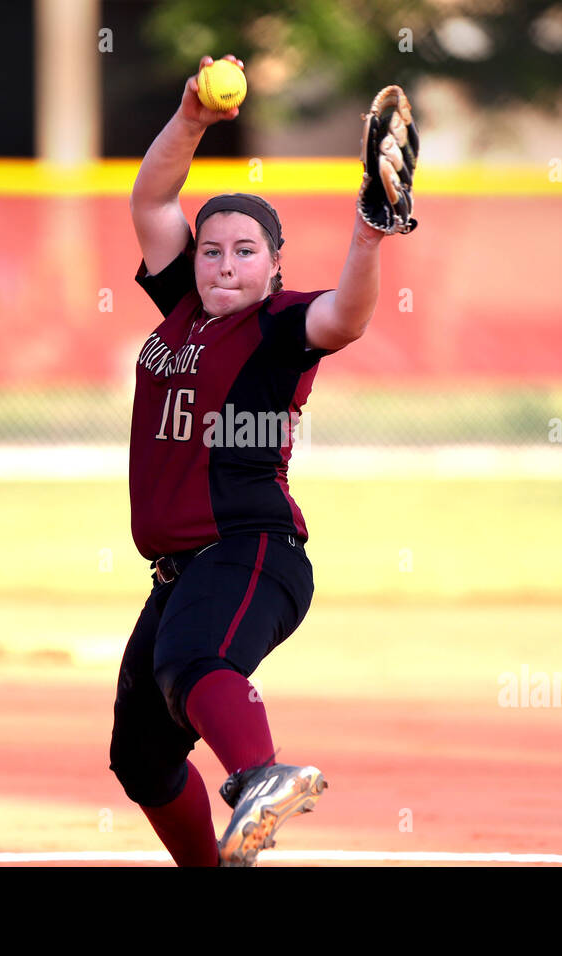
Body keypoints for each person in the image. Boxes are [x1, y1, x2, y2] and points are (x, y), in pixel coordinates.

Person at [109, 54, 402, 866]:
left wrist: (367, 240)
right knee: (142, 758)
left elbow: (344, 318)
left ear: (275, 264)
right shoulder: (183, 309)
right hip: (179, 572)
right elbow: (151, 198)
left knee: (196, 661)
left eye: (244, 251)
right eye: (211, 250)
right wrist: (193, 119)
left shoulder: (275, 324)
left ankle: (262, 776)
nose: (224, 264)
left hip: (250, 551)